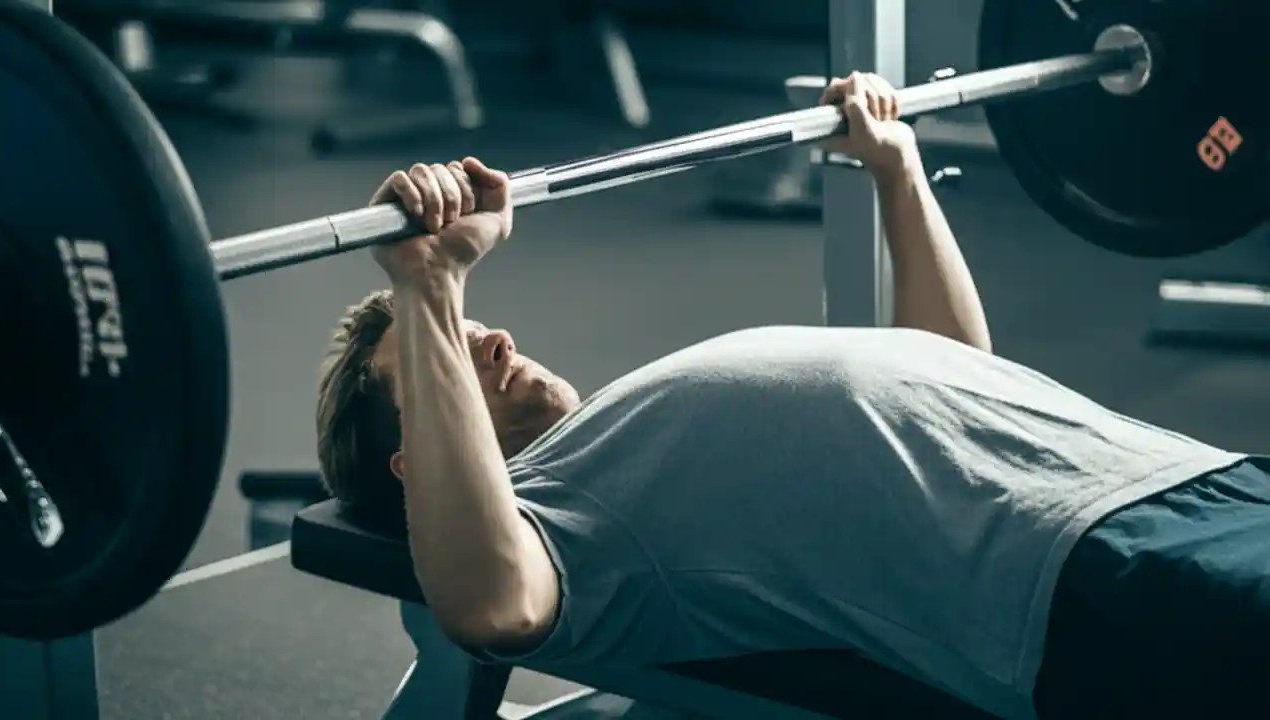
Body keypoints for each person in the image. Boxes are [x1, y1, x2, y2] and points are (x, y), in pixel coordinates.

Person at [315, 73, 1269, 719]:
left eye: (469, 329)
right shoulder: (563, 509)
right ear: (418, 462)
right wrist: (430, 288)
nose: (494, 337)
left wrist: (897, 173)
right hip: (1085, 573)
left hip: (1191, 480)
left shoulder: (627, 436)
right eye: (446, 355)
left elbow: (954, 366)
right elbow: (490, 608)